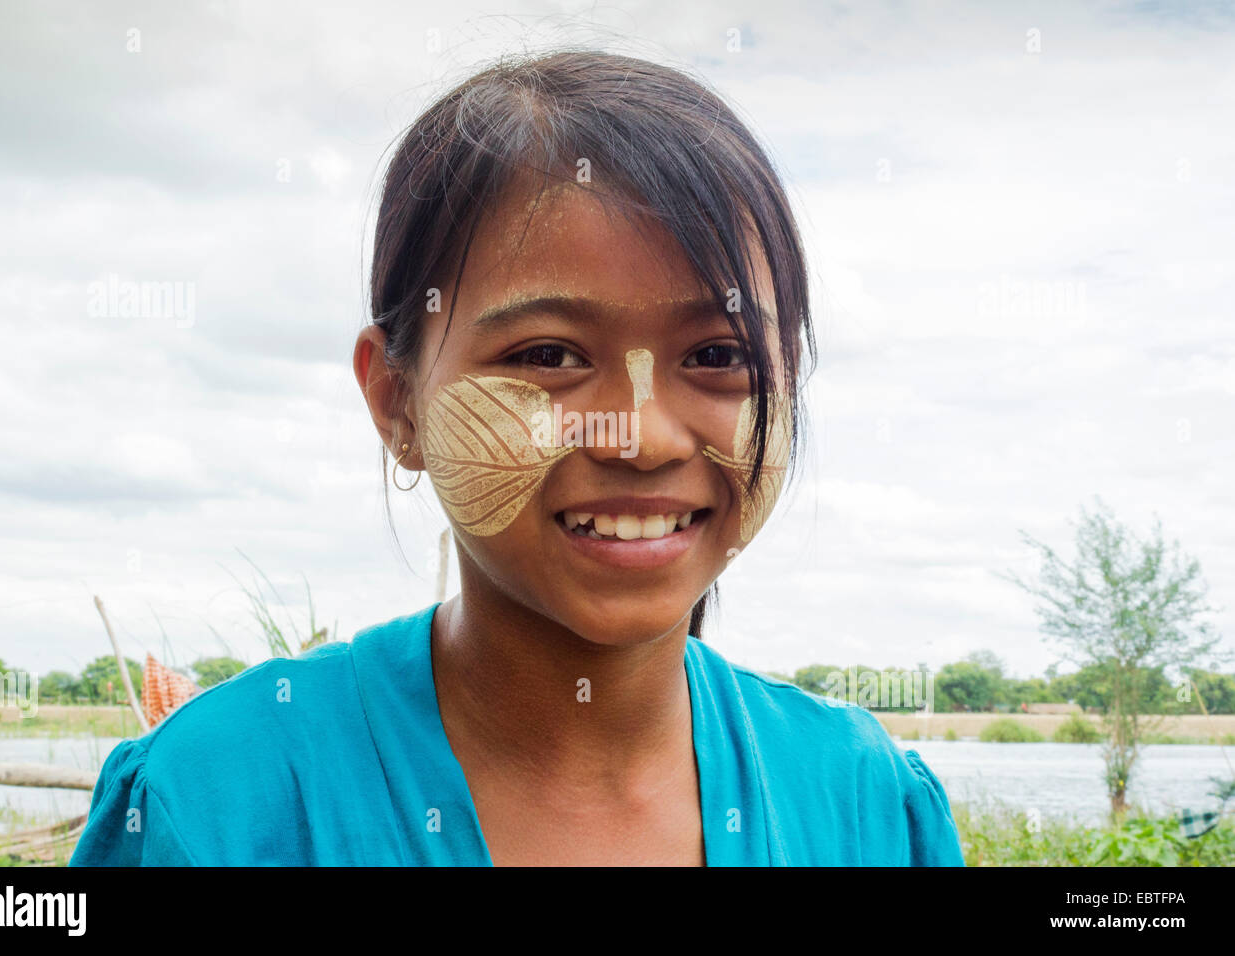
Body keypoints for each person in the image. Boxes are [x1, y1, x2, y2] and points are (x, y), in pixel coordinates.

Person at [70, 49, 964, 866]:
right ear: (397, 401)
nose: (643, 438)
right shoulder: (219, 804)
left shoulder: (865, 807)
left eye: (718, 356)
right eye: (548, 357)